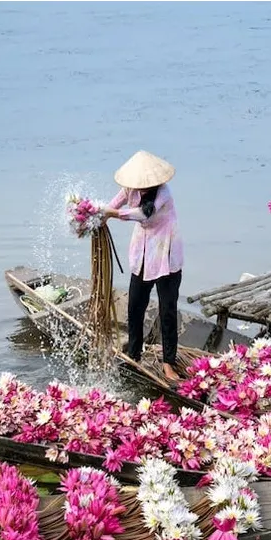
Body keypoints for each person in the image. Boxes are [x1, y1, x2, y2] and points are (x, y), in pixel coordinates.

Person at [101, 150, 183, 382]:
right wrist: (97, 215)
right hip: (143, 255)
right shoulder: (131, 189)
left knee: (167, 309)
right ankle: (134, 355)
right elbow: (111, 205)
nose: (142, 188)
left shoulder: (163, 193)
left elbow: (144, 214)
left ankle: (169, 364)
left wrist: (113, 214)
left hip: (166, 255)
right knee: (135, 306)